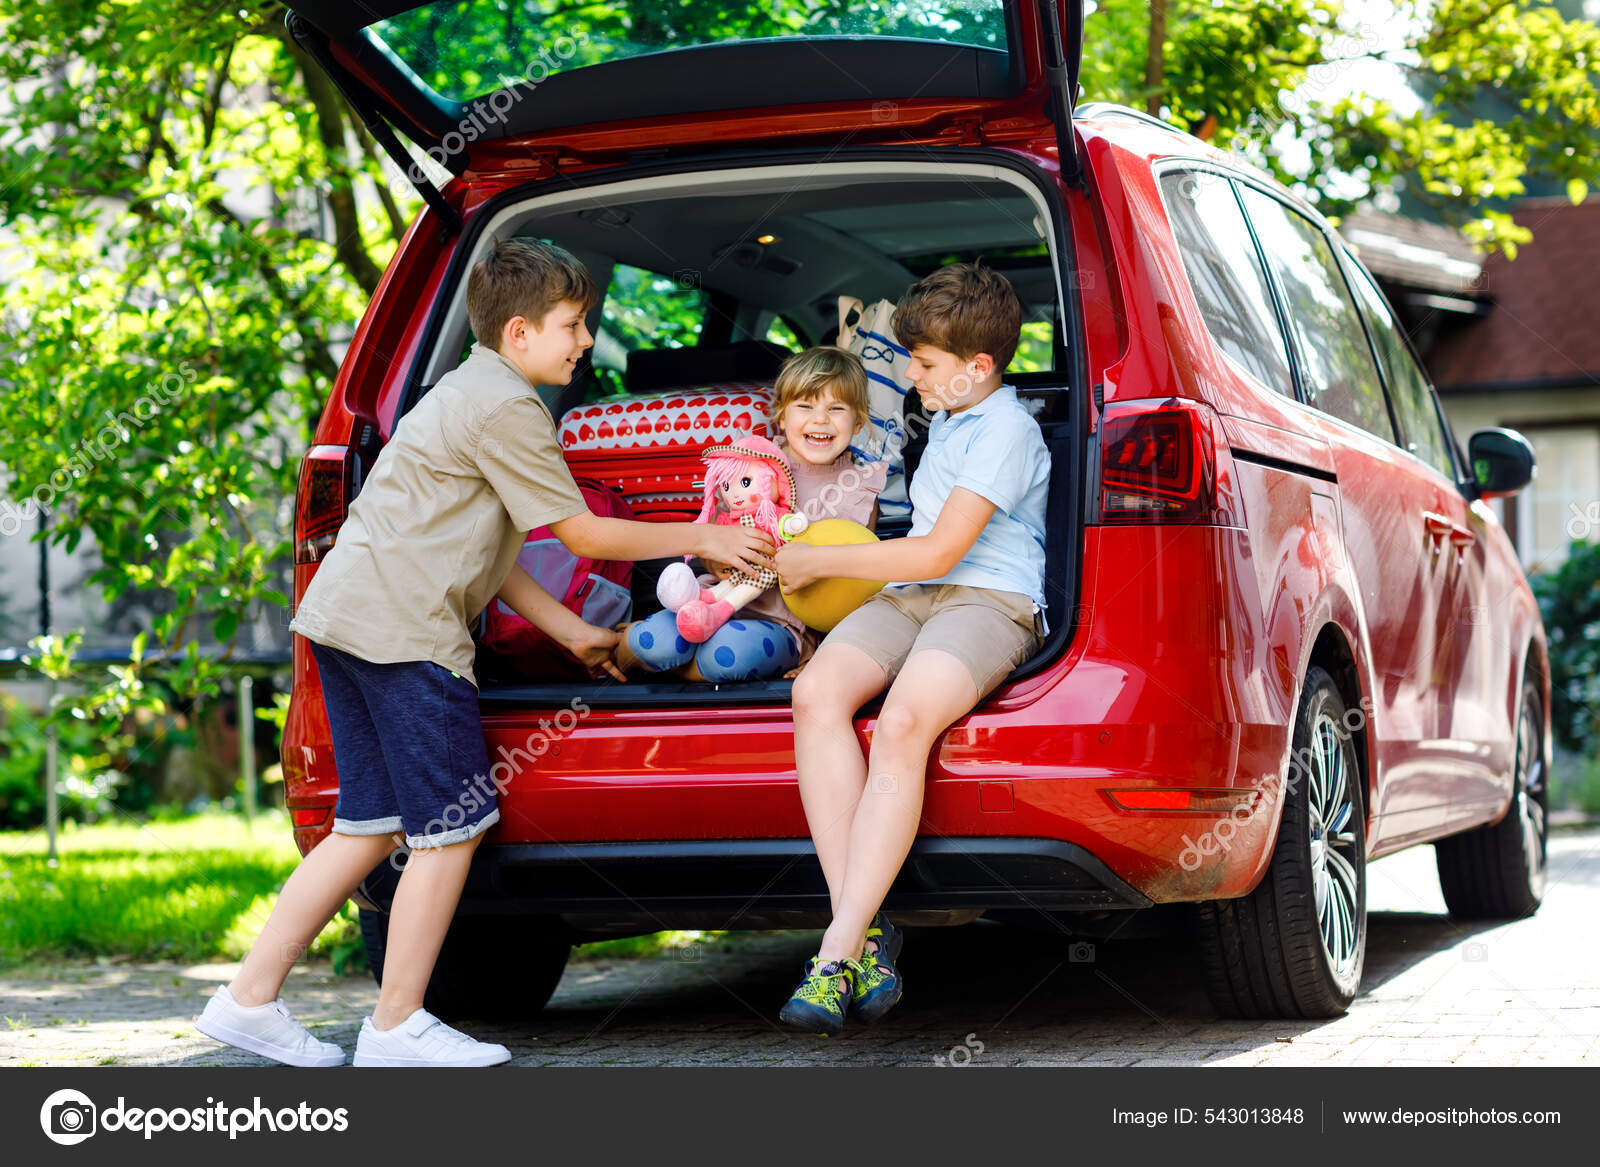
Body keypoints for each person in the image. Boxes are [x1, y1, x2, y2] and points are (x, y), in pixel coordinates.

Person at [195, 238, 772, 1067]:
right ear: (518, 332)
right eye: (573, 324)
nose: (585, 340)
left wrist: (571, 630)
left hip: (345, 620)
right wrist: (707, 530)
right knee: (453, 827)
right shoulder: (509, 407)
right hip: (408, 634)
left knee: (364, 826)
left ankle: (247, 997)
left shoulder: (461, 389)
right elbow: (585, 533)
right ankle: (396, 1025)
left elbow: (491, 546)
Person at [770, 263, 1051, 1035]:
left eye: (924, 366)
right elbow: (917, 566)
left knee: (901, 724)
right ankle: (866, 933)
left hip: (990, 596)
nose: (912, 379)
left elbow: (937, 552)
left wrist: (824, 559)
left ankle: (832, 953)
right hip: (915, 595)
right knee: (815, 695)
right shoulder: (953, 419)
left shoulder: (1007, 429)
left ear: (977, 368)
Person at [615, 346, 886, 683]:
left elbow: (859, 589)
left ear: (858, 420)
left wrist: (829, 653)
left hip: (785, 627)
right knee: (655, 643)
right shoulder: (754, 462)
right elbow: (714, 542)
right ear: (783, 416)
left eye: (836, 408)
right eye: (805, 406)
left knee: (724, 657)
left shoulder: (860, 489)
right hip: (713, 597)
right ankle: (632, 647)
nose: (820, 419)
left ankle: (661, 664)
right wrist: (720, 561)